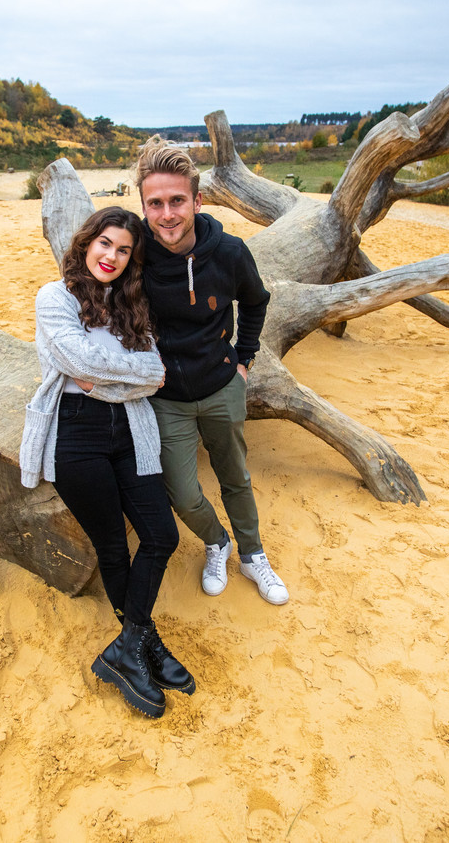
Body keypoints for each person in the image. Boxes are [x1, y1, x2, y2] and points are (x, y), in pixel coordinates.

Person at [20, 206, 194, 718]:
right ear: (86, 243)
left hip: (132, 430)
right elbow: (77, 361)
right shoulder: (55, 297)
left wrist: (107, 380)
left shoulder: (131, 305)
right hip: (76, 432)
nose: (112, 257)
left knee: (161, 535)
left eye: (123, 251)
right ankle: (144, 644)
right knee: (113, 548)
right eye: (105, 244)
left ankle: (130, 645)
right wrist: (125, 375)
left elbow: (155, 372)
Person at [135, 141, 289, 605]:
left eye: (177, 200)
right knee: (182, 494)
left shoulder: (229, 252)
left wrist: (244, 360)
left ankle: (253, 555)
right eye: (155, 203)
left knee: (235, 477)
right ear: (143, 206)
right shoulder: (135, 257)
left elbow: (256, 302)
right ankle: (217, 542)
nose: (167, 214)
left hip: (223, 386)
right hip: (166, 399)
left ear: (197, 201)